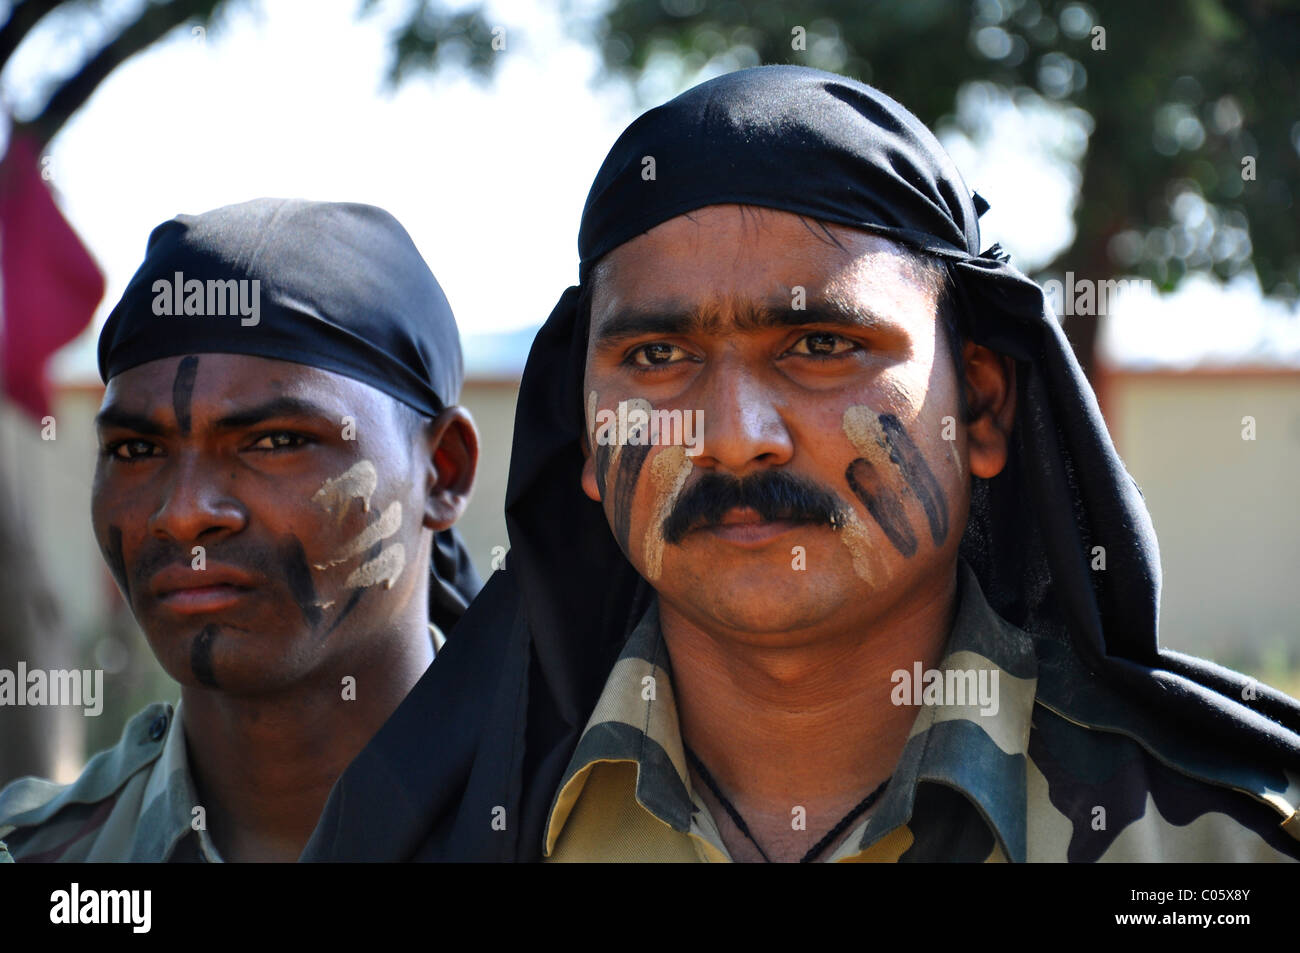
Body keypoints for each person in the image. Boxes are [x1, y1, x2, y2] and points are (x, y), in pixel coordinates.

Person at [303, 67, 1300, 862]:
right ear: (587, 437)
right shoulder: (439, 828)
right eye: (656, 357)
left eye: (821, 345)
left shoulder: (1223, 840)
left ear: (983, 404)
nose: (735, 436)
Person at [0, 198, 481, 862]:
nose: (183, 511)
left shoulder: (602, 826)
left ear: (443, 471)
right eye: (138, 450)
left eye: (276, 439)